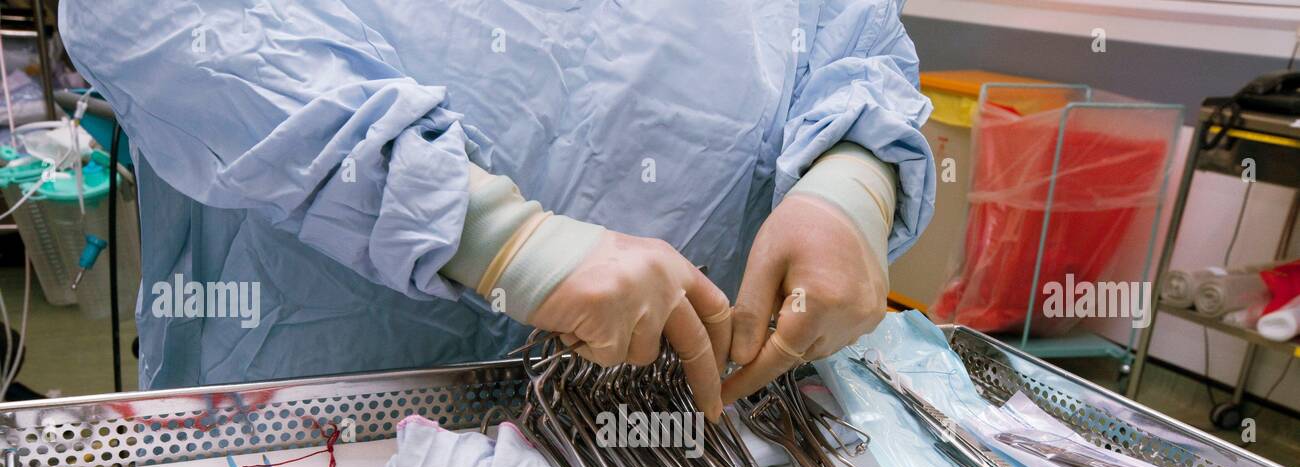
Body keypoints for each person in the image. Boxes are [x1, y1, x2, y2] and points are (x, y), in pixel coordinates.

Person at [60, 1, 934, 417]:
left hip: (689, 432)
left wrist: (849, 179)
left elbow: (848, 42)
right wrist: (486, 232)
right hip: (327, 445)